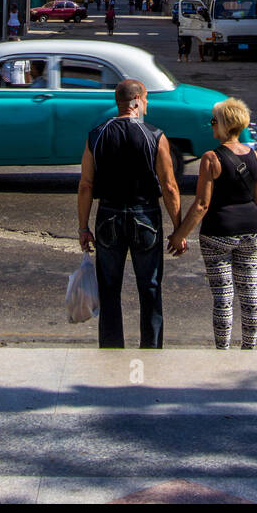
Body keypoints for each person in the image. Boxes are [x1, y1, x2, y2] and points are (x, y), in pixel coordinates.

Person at [77, 78, 184, 348]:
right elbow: (169, 186)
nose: (147, 104)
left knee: (109, 288)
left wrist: (83, 227)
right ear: (137, 101)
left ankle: (112, 348)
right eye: (146, 99)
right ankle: (152, 347)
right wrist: (178, 228)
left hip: (108, 216)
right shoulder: (155, 135)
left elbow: (86, 185)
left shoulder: (96, 135)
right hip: (145, 215)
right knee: (150, 287)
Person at [167, 97, 257, 350]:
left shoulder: (211, 158)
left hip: (218, 233)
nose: (211, 125)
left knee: (223, 296)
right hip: (251, 230)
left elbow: (201, 205)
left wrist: (180, 235)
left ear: (223, 124)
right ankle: (249, 348)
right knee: (249, 291)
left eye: (214, 121)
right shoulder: (254, 156)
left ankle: (222, 350)